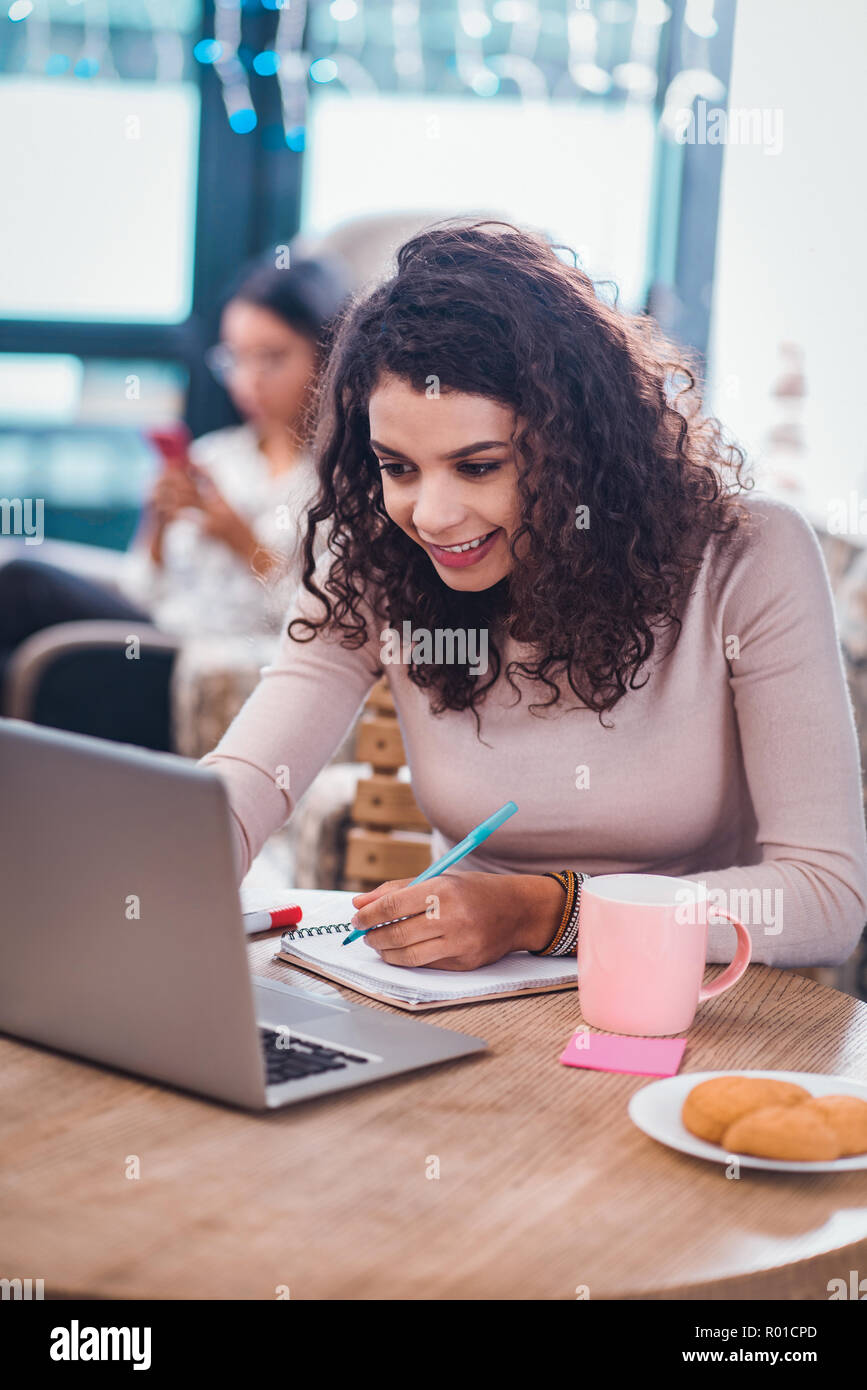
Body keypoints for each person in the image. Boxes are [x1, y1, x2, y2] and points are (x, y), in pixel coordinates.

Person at [200, 219, 867, 971]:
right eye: (399, 466)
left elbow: (822, 897)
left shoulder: (747, 554)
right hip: (465, 1003)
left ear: (579, 450)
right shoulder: (381, 563)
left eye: (478, 466)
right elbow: (252, 778)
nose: (432, 516)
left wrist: (542, 912)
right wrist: (166, 863)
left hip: (698, 999)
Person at [0, 254, 351, 747]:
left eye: (270, 357)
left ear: (327, 354)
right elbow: (141, 590)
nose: (248, 380)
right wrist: (157, 527)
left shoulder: (338, 482)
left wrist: (239, 538)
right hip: (158, 634)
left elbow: (319, 622)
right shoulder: (216, 456)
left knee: (20, 585)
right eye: (234, 358)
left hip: (216, 660)